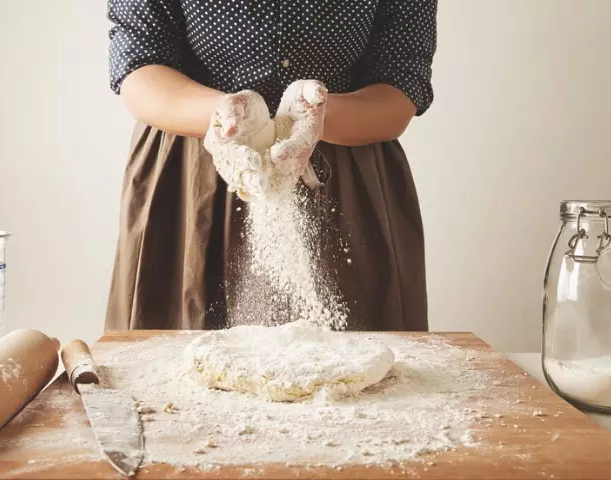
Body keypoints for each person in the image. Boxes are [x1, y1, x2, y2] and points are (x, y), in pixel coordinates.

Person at [104, 0, 437, 332]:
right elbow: (139, 65)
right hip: (194, 178)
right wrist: (222, 113)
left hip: (341, 175)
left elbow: (401, 81)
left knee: (351, 372)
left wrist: (319, 114)